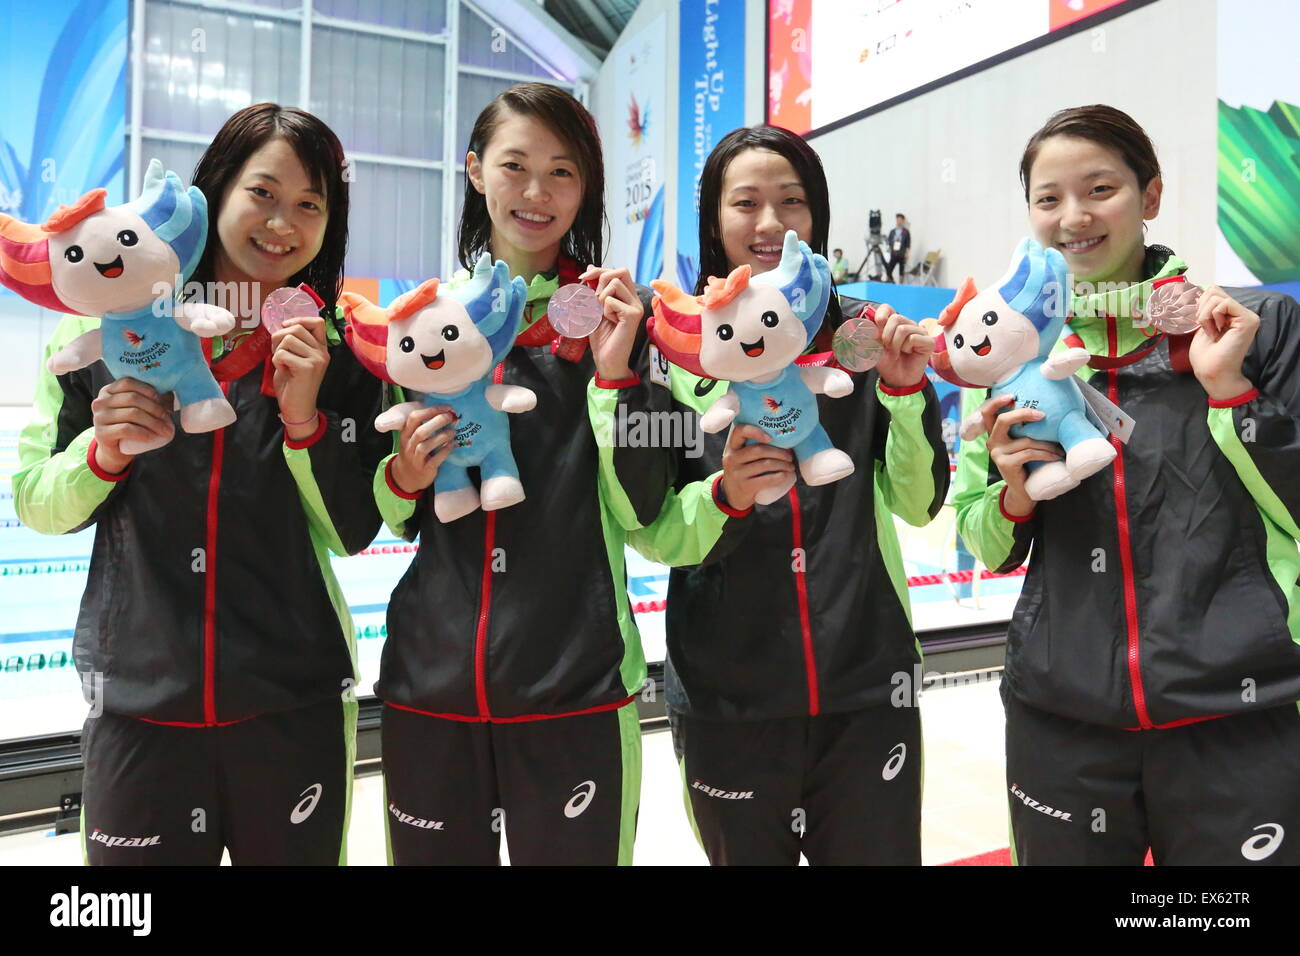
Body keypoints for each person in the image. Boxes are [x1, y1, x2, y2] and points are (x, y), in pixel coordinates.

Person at [11, 103, 388, 864]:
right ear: (215, 189)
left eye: (310, 205)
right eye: (264, 193)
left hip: (292, 700)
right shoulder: (98, 334)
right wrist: (102, 452)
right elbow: (34, 502)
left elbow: (354, 530)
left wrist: (306, 418)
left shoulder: (334, 346)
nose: (283, 224)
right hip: (140, 703)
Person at [954, 104, 1300, 865]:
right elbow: (982, 539)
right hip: (1063, 722)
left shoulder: (1253, 328)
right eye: (1049, 199)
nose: (1073, 216)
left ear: (1150, 198)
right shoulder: (1013, 357)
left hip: (1237, 714)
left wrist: (1232, 394)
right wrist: (1013, 494)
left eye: (1099, 188)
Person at [598, 125, 948, 865]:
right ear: (713, 218)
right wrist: (722, 498)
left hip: (866, 683)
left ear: (816, 214)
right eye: (745, 203)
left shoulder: (859, 336)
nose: (769, 224)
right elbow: (651, 530)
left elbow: (918, 505)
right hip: (730, 692)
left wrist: (909, 393)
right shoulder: (672, 349)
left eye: (791, 202)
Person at [372, 82, 663, 866]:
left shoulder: (616, 320)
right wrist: (403, 475)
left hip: (577, 685)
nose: (537, 194)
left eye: (563, 172)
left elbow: (643, 509)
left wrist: (614, 378)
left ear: (587, 188)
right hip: (433, 685)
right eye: (515, 166)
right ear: (474, 171)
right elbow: (392, 518)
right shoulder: (423, 324)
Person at [885, 213, 910, 282]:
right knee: (889, 269)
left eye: (900, 220)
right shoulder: (892, 232)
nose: (899, 221)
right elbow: (888, 242)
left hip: (902, 253)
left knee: (901, 271)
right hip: (894, 253)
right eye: (898, 220)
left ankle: (900, 285)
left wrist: (907, 253)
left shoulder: (906, 232)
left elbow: (908, 244)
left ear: (903, 221)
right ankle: (889, 282)